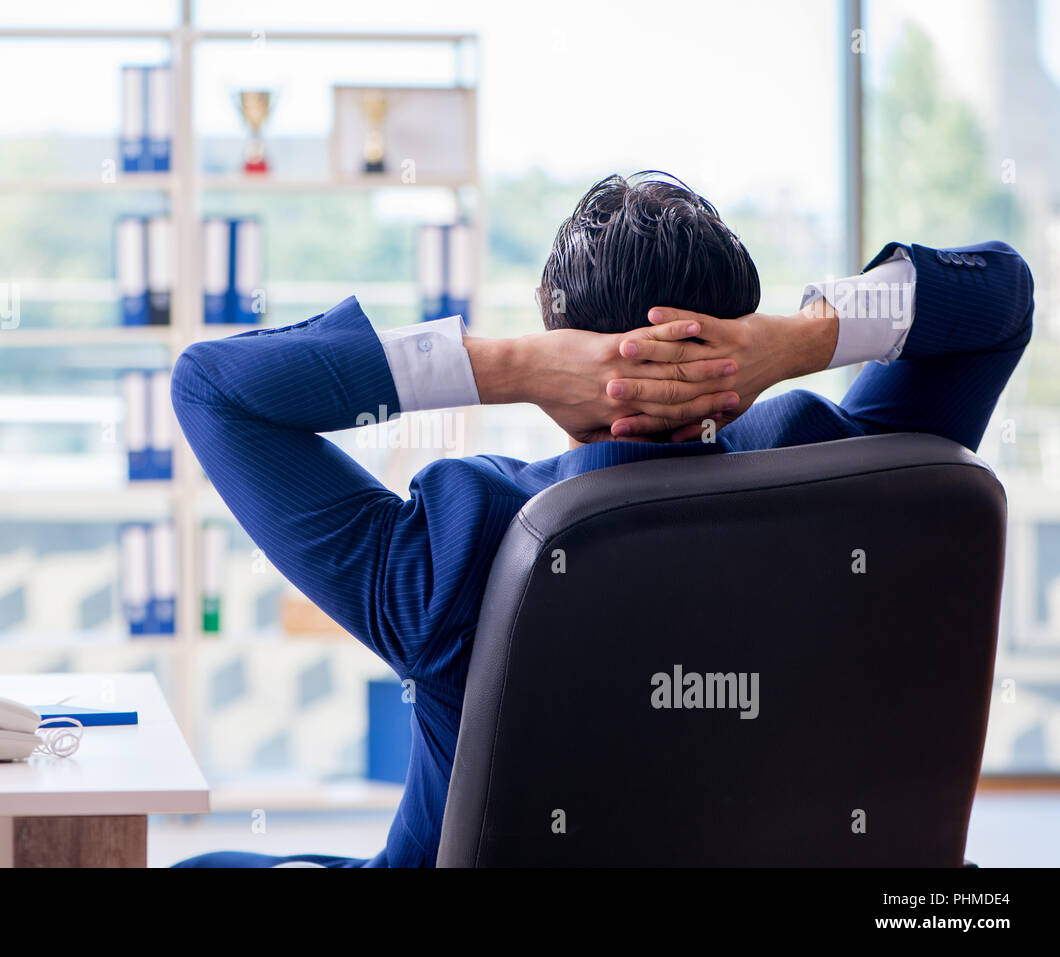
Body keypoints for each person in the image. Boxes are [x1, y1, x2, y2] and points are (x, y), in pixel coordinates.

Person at [170, 171, 1034, 867]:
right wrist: (801, 339)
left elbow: (215, 388)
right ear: (734, 333)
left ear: (557, 336)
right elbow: (999, 297)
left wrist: (506, 363)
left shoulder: (464, 539)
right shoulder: (848, 468)